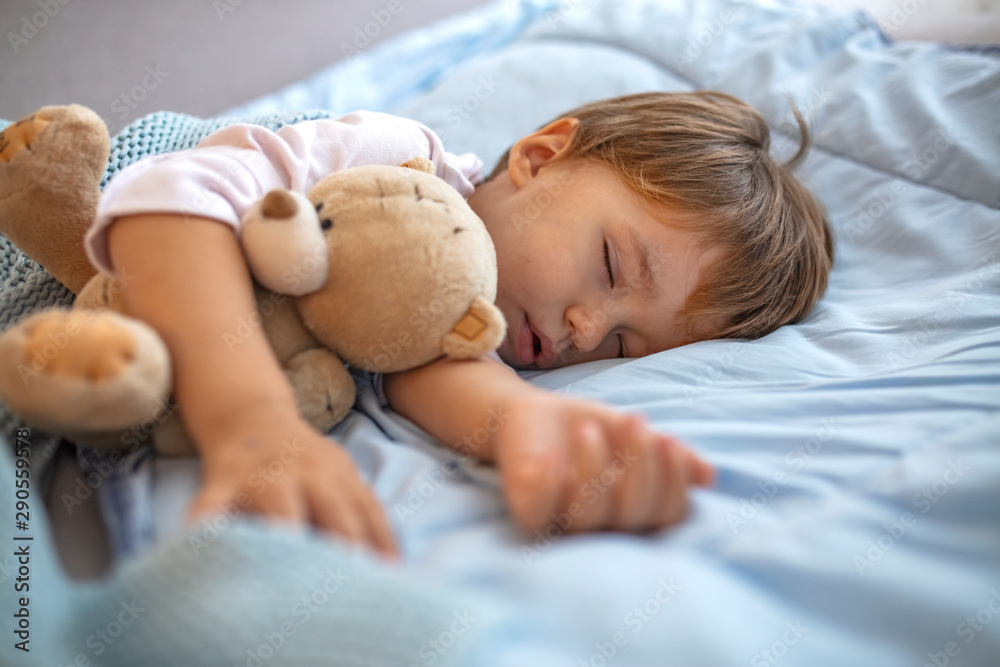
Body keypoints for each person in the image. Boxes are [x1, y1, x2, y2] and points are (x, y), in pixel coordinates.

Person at [87, 91, 833, 558]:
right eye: (609, 264)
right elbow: (168, 196)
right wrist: (251, 420)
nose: (583, 328)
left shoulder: (457, 319)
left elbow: (442, 372)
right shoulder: (400, 163)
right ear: (541, 158)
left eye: (623, 343)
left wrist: (534, 430)